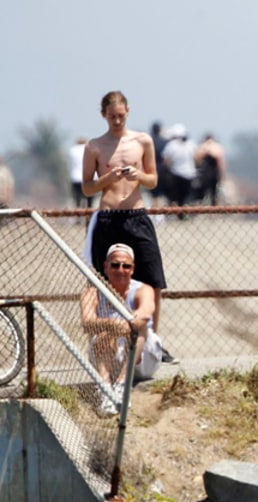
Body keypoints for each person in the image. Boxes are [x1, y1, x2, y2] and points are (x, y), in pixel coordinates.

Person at [81, 91, 176, 364]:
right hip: (109, 216)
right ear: (103, 116)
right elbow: (87, 186)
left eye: (121, 115)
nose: (117, 121)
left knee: (152, 276)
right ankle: (103, 341)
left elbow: (153, 180)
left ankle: (153, 338)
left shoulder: (142, 141)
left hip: (136, 214)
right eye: (112, 116)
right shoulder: (95, 146)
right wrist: (107, 178)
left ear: (128, 112)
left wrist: (139, 175)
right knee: (102, 279)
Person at [80, 243, 163, 415]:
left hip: (142, 357)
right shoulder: (92, 292)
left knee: (139, 328)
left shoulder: (143, 289)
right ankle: (105, 389)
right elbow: (87, 322)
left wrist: (124, 325)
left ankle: (122, 385)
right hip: (109, 357)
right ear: (106, 266)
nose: (120, 270)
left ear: (132, 269)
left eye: (126, 266)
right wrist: (111, 325)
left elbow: (145, 313)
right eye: (115, 265)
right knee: (104, 332)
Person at [161, 124, 197, 211]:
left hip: (176, 174)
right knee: (187, 195)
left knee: (177, 196)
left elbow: (166, 161)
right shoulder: (191, 144)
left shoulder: (171, 145)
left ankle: (179, 211)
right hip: (190, 174)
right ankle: (187, 211)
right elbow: (197, 158)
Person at [193, 133, 226, 206]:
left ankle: (205, 205)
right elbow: (221, 163)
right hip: (209, 173)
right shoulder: (216, 147)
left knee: (209, 192)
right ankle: (211, 206)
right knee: (212, 192)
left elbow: (196, 160)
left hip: (207, 173)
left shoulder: (203, 146)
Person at [148, 121, 171, 209]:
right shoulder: (165, 141)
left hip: (151, 168)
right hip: (163, 170)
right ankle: (168, 212)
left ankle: (156, 212)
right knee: (166, 193)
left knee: (155, 194)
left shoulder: (150, 141)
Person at [68, 137, 95, 208]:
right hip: (88, 178)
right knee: (89, 201)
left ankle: (78, 215)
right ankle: (89, 216)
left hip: (75, 178)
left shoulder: (72, 150)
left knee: (77, 200)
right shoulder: (89, 149)